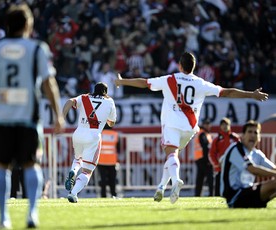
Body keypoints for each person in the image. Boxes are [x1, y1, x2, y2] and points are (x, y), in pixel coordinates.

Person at [115, 52, 268, 204]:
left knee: (171, 155)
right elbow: (228, 92)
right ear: (194, 67)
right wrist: (251, 94)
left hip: (172, 124)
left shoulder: (170, 79)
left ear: (180, 65)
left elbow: (144, 83)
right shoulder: (201, 83)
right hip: (190, 128)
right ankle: (161, 187)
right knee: (172, 156)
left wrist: (122, 82)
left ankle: (176, 181)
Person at [0, 3, 64, 229]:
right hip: (29, 116)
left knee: (2, 165)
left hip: (3, 116)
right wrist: (58, 114)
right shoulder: (38, 48)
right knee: (31, 164)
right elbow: (49, 82)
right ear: (29, 24)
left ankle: (3, 218)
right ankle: (32, 215)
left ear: (7, 25)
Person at [62, 82, 116, 203]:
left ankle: (74, 171)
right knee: (87, 171)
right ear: (105, 92)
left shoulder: (84, 97)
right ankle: (74, 193)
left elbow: (70, 101)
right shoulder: (109, 101)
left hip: (78, 133)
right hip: (93, 136)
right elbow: (112, 123)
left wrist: (62, 116)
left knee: (77, 158)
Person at [220, 120, 276, 208]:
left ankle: (259, 204)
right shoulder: (237, 148)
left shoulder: (257, 153)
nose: (252, 135)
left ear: (259, 137)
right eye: (249, 132)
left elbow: (273, 168)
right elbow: (252, 169)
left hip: (248, 191)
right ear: (242, 136)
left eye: (255, 133)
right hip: (235, 196)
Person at [209, 117, 240, 196]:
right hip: (221, 168)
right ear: (220, 126)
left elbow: (241, 151)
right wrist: (216, 164)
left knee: (233, 187)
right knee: (218, 189)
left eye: (226, 124)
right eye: (223, 124)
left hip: (233, 168)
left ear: (229, 126)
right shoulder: (217, 139)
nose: (225, 126)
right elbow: (212, 153)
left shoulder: (235, 138)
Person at [97, 126, 119, 198]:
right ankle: (113, 194)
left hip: (101, 160)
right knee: (112, 179)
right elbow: (118, 148)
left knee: (103, 179)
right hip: (112, 161)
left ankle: (103, 195)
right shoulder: (115, 134)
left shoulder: (99, 134)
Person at [194, 119, 213, 197]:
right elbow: (205, 147)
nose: (208, 126)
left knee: (200, 178)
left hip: (199, 158)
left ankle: (197, 195)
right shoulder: (203, 134)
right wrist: (208, 160)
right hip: (203, 159)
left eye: (208, 124)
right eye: (206, 124)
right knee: (210, 177)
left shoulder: (203, 133)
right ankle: (212, 194)